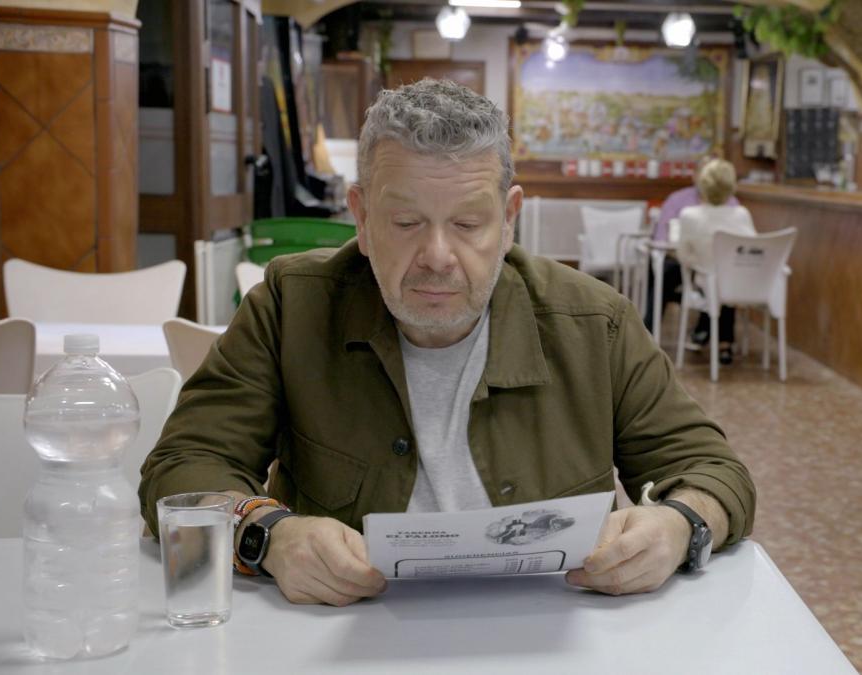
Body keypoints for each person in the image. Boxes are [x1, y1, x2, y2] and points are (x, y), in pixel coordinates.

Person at [139, 79, 755, 606]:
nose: (437, 257)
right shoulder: (290, 306)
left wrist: (681, 524)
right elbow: (182, 466)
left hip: (553, 638)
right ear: (360, 215)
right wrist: (266, 535)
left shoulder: (596, 324)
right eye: (406, 223)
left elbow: (714, 471)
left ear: (509, 217)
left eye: (467, 223)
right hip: (337, 637)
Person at [675, 160, 758, 365]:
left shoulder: (690, 215)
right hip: (744, 284)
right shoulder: (742, 214)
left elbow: (683, 256)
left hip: (708, 282)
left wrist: (700, 261)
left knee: (712, 281)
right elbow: (755, 248)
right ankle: (723, 344)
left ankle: (704, 332)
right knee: (724, 281)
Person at [644, 157, 739, 336]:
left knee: (724, 275)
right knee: (665, 272)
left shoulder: (734, 208)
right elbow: (664, 240)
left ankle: (717, 337)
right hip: (684, 261)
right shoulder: (681, 203)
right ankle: (648, 330)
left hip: (718, 266)